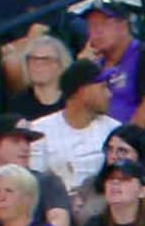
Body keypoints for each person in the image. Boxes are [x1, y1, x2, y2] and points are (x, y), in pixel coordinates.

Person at [29, 60, 121, 194]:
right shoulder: (39, 130)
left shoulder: (114, 130)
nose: (109, 94)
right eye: (102, 87)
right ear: (82, 91)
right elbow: (35, 181)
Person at [81, 0, 145, 128]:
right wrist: (81, 69)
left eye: (104, 24)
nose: (97, 31)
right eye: (92, 25)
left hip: (139, 138)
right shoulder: (93, 63)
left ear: (123, 26)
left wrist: (124, 139)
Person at [6, 35, 71, 120]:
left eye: (45, 59)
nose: (37, 65)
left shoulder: (72, 101)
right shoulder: (17, 103)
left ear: (60, 65)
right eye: (33, 59)